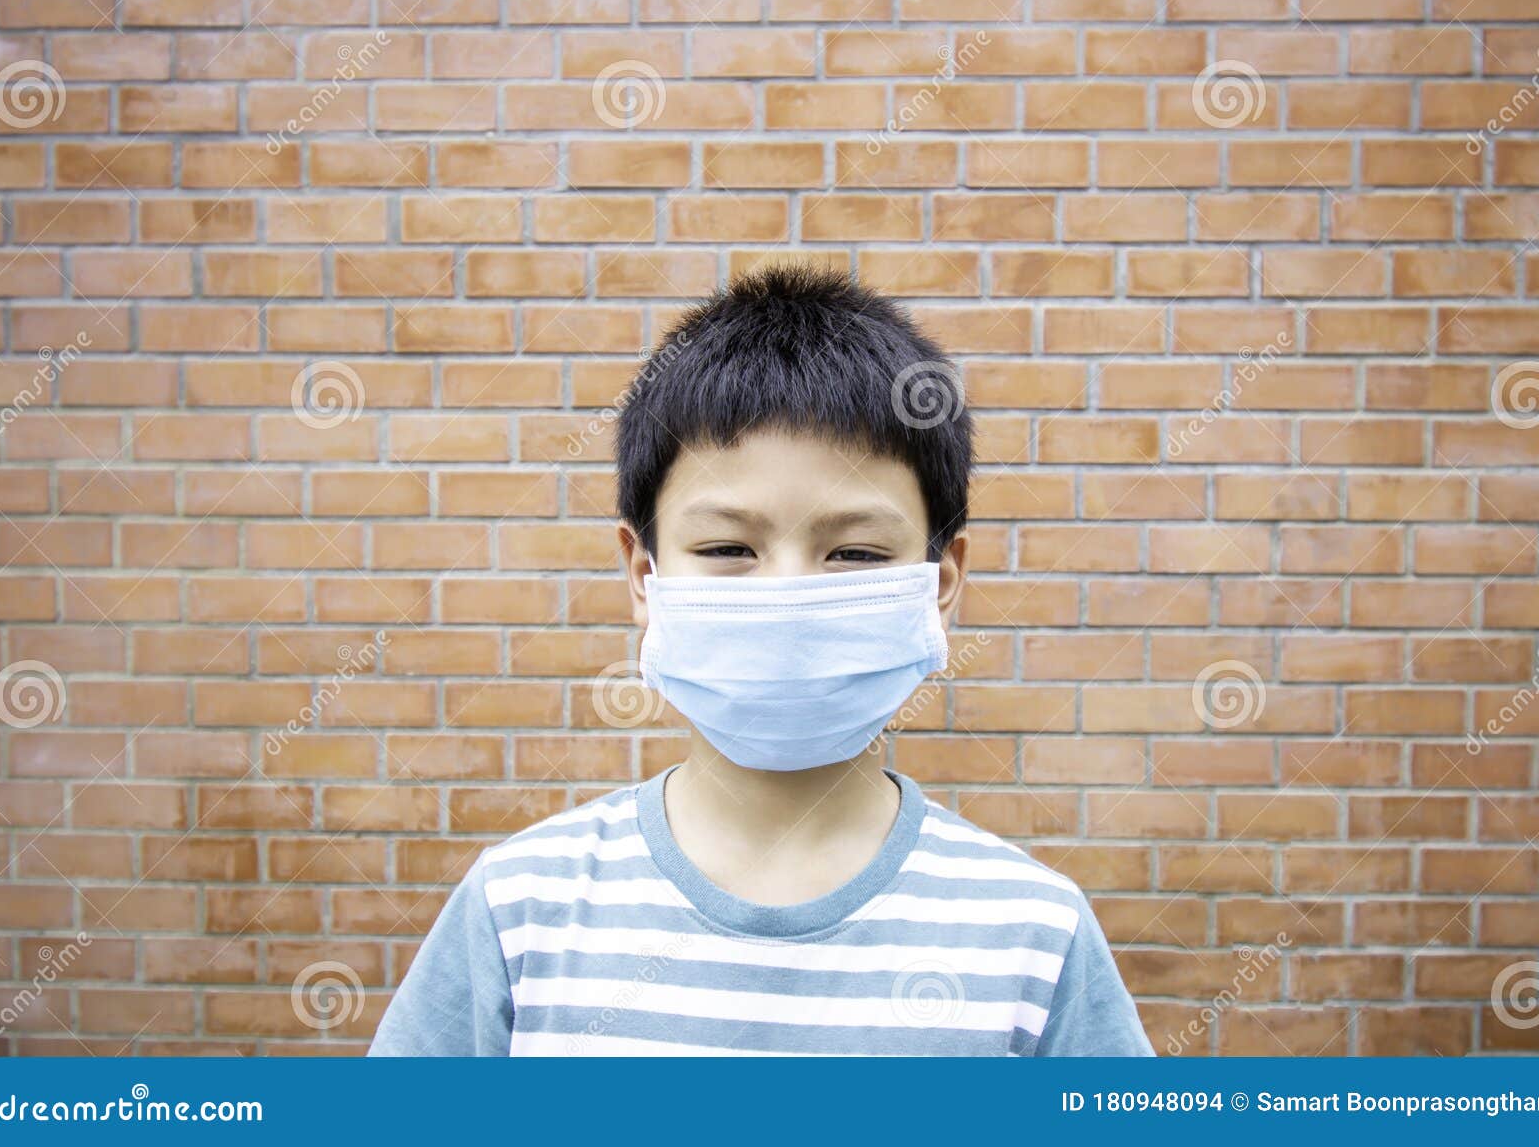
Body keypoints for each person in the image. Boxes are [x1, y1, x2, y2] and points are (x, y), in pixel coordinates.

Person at [369, 264, 1153, 1056]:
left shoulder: (1035, 937)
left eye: (852, 552)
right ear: (645, 576)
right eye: (726, 546)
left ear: (940, 584)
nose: (789, 598)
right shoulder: (521, 912)